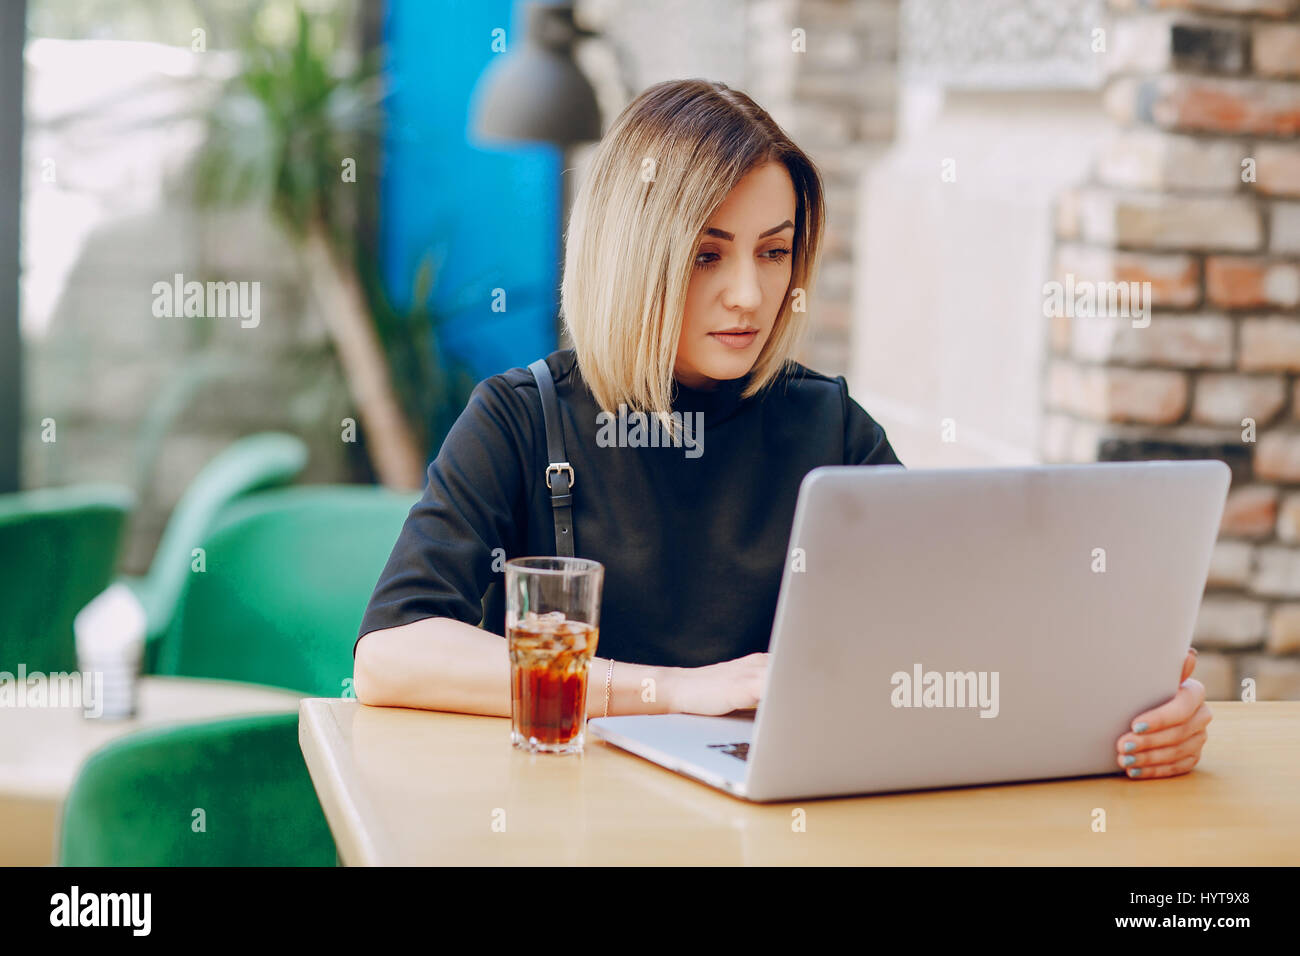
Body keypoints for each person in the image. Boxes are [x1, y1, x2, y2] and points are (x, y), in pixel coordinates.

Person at [352, 78, 1211, 781]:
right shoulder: (519, 418)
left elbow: (969, 628)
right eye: (707, 254)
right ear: (634, 254)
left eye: (774, 251)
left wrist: (1132, 704)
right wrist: (668, 691)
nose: (750, 296)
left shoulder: (826, 425)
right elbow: (390, 655)